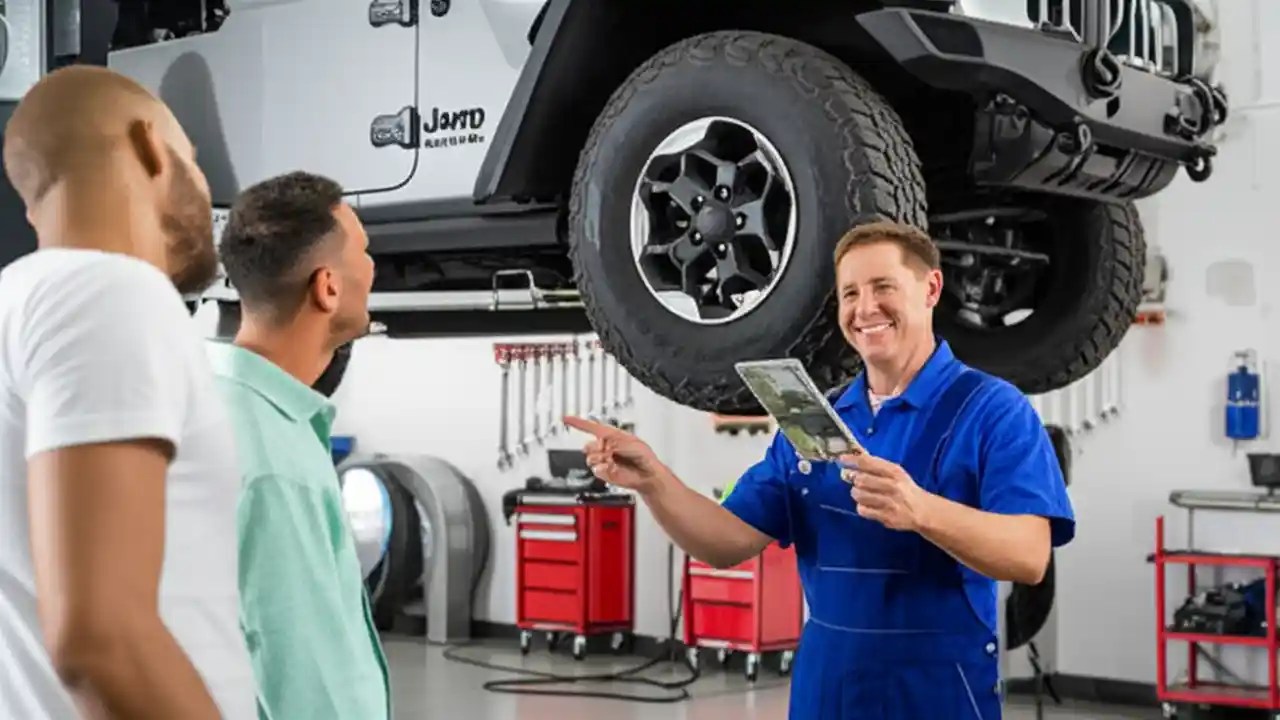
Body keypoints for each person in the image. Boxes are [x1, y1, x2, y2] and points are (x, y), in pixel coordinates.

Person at [566, 219, 1075, 719]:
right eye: (850, 293)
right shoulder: (814, 421)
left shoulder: (995, 410)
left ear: (931, 288)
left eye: (883, 287)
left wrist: (921, 511)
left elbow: (1029, 556)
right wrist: (655, 481)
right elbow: (726, 542)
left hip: (938, 694)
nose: (865, 308)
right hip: (826, 693)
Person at [0, 66, 257, 719]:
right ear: (149, 145)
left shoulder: (16, 305)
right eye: (193, 163)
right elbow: (100, 638)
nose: (204, 188)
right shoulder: (109, 291)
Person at [209, 170, 388, 720]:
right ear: (327, 286)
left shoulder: (229, 403)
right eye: (363, 250)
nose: (374, 267)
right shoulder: (271, 459)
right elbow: (303, 672)